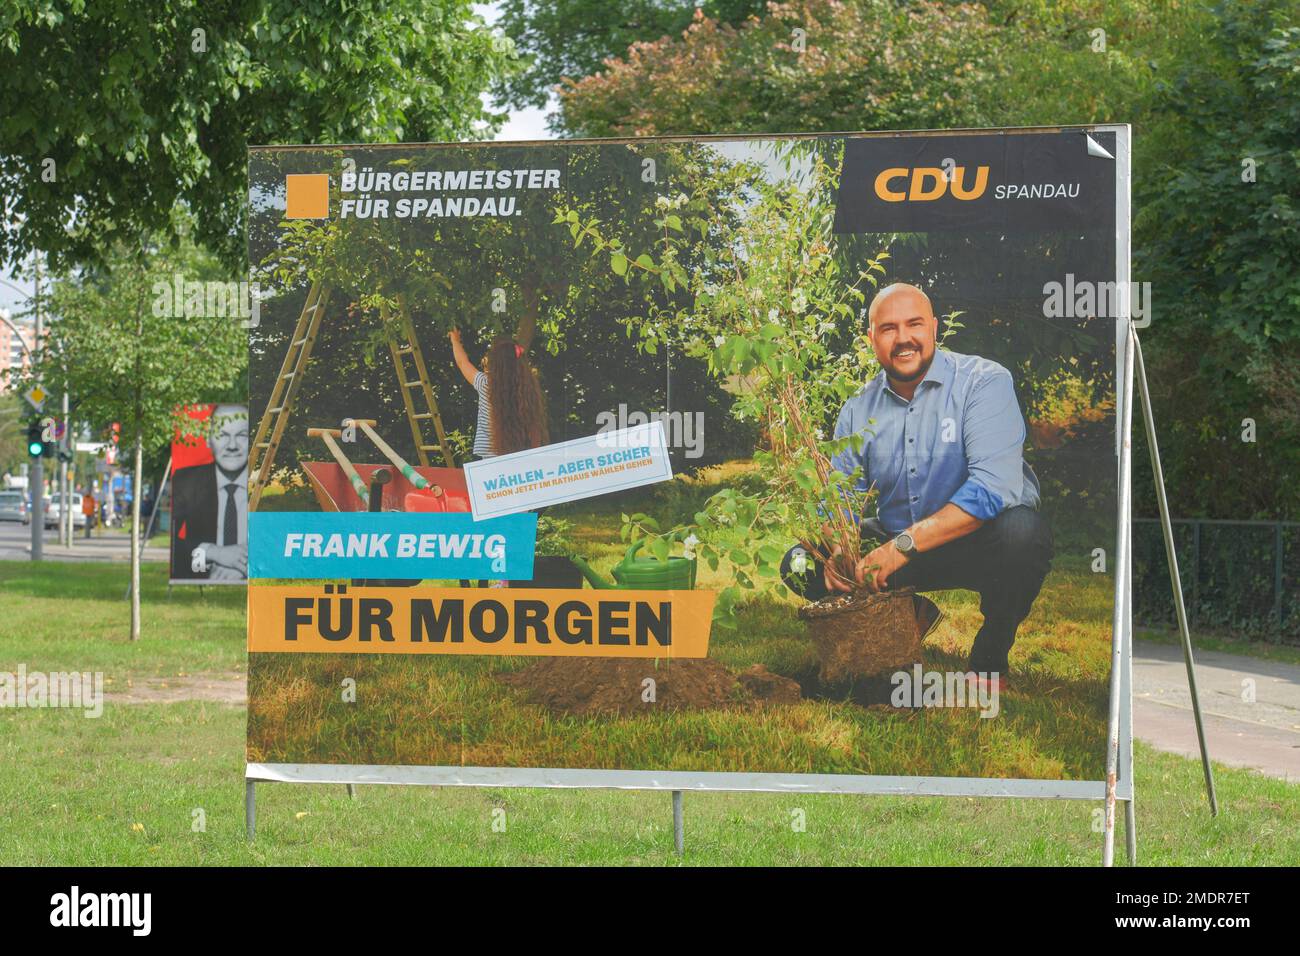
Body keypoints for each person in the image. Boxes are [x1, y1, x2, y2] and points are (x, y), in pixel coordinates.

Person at [781, 283, 1052, 688]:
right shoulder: (857, 409)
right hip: (894, 544)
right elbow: (839, 499)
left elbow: (993, 488)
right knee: (798, 563)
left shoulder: (983, 382)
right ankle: (903, 614)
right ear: (871, 339)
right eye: (888, 328)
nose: (903, 337)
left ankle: (989, 658)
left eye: (914, 324)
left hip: (976, 542)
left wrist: (902, 546)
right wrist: (839, 549)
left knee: (1024, 534)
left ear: (934, 329)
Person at [170, 404, 248, 581]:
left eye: (242, 435)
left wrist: (242, 567)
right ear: (208, 439)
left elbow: (281, 540)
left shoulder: (270, 484)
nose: (232, 445)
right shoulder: (186, 481)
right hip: (204, 576)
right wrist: (213, 552)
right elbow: (171, 542)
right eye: (222, 435)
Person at [448, 329, 548, 458]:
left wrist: (455, 341)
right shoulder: (528, 388)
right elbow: (535, 430)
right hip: (523, 456)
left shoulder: (485, 384)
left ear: (494, 362)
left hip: (491, 459)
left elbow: (463, 363)